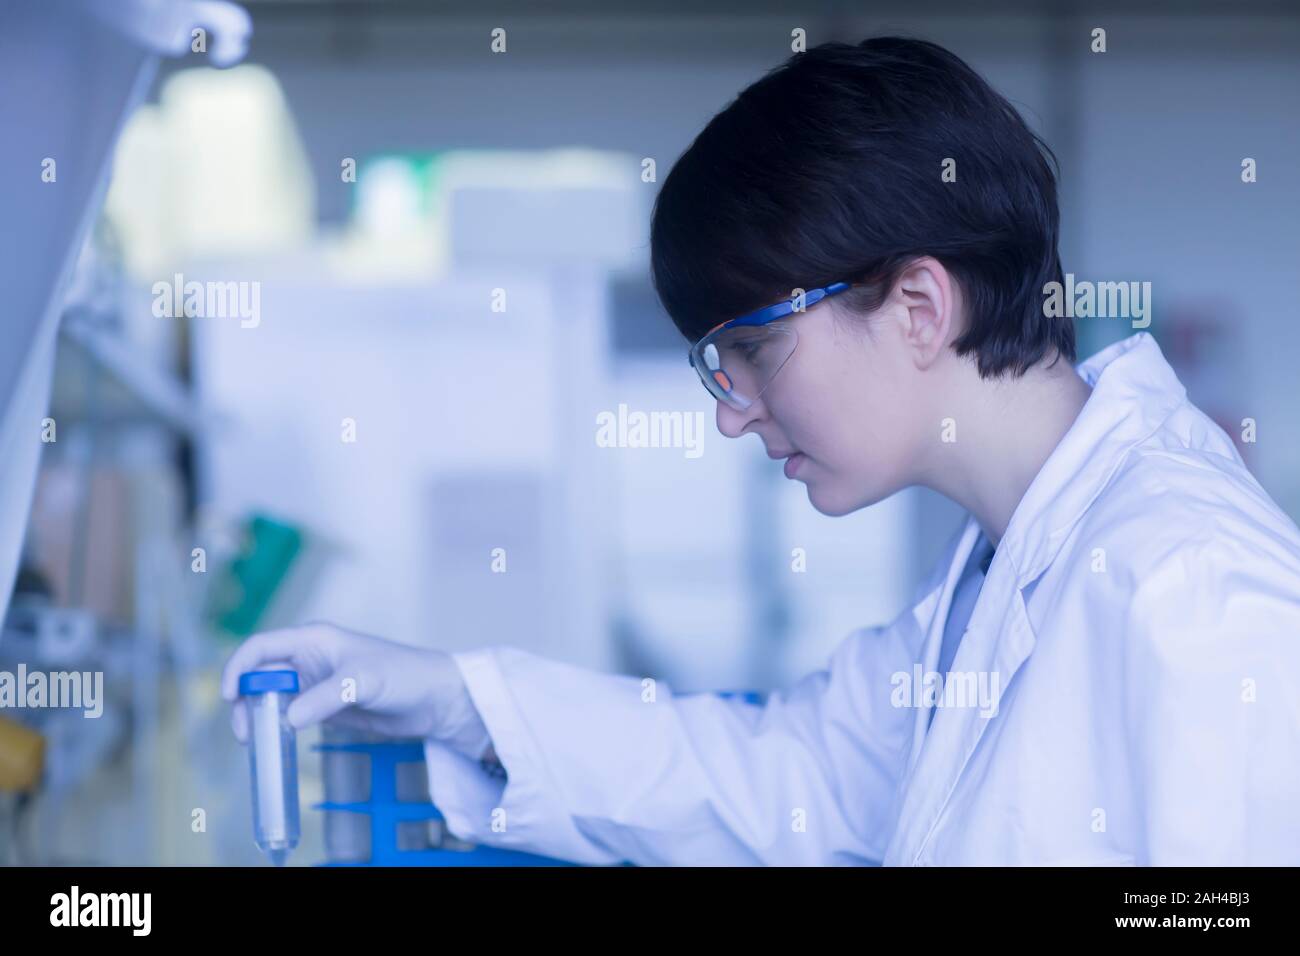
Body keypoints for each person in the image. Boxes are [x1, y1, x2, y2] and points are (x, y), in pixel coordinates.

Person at [222, 37, 1300, 865]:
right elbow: (787, 775)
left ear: (917, 306)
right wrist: (450, 693)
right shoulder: (998, 571)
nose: (733, 411)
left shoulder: (1192, 588)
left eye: (753, 348)